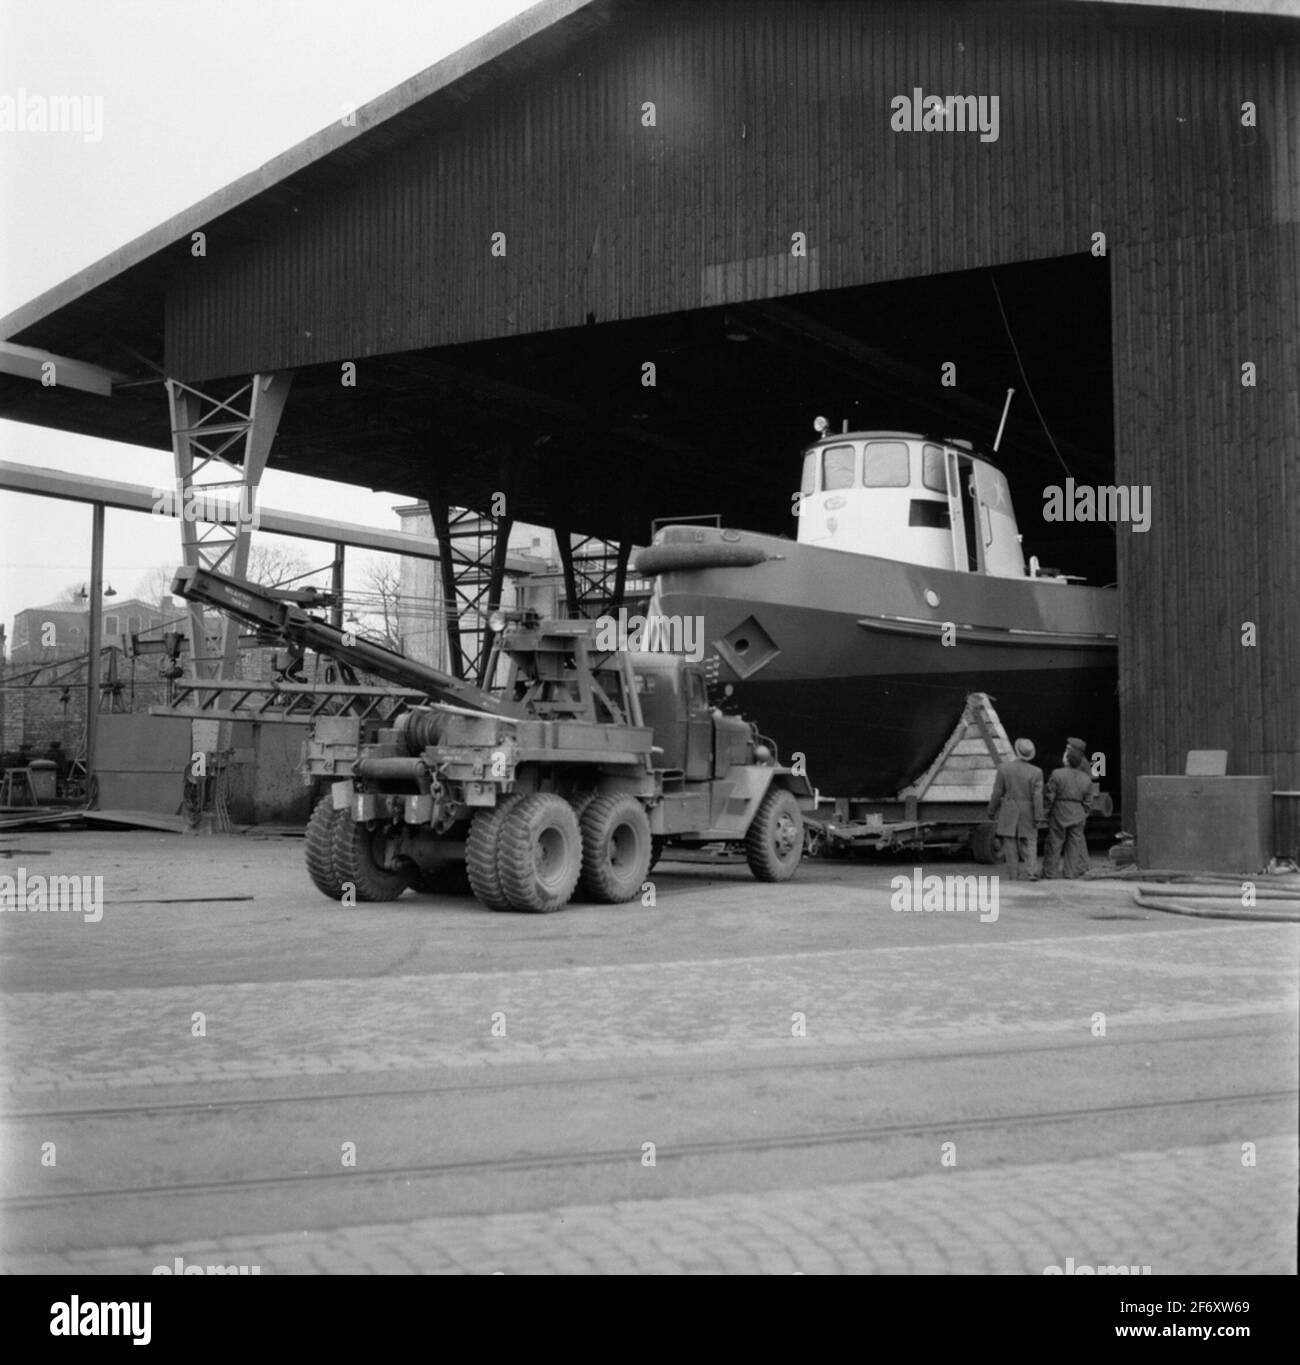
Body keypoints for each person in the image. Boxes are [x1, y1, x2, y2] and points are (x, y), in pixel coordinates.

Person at [987, 738, 1044, 880]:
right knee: (1030, 841)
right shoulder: (1037, 772)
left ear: (1017, 751)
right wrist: (1038, 816)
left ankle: (1013, 874)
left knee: (1010, 843)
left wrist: (991, 811)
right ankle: (1032, 872)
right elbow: (1038, 797)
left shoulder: (1004, 768)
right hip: (1028, 811)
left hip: (1009, 810)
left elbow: (997, 793)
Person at [1043, 736, 1094, 878]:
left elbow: (1050, 796)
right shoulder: (1086, 778)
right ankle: (1070, 873)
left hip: (1060, 810)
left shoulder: (1057, 774)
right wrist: (1083, 813)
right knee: (1074, 844)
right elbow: (1088, 801)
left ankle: (1050, 873)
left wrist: (1047, 812)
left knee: (1055, 842)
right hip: (1078, 812)